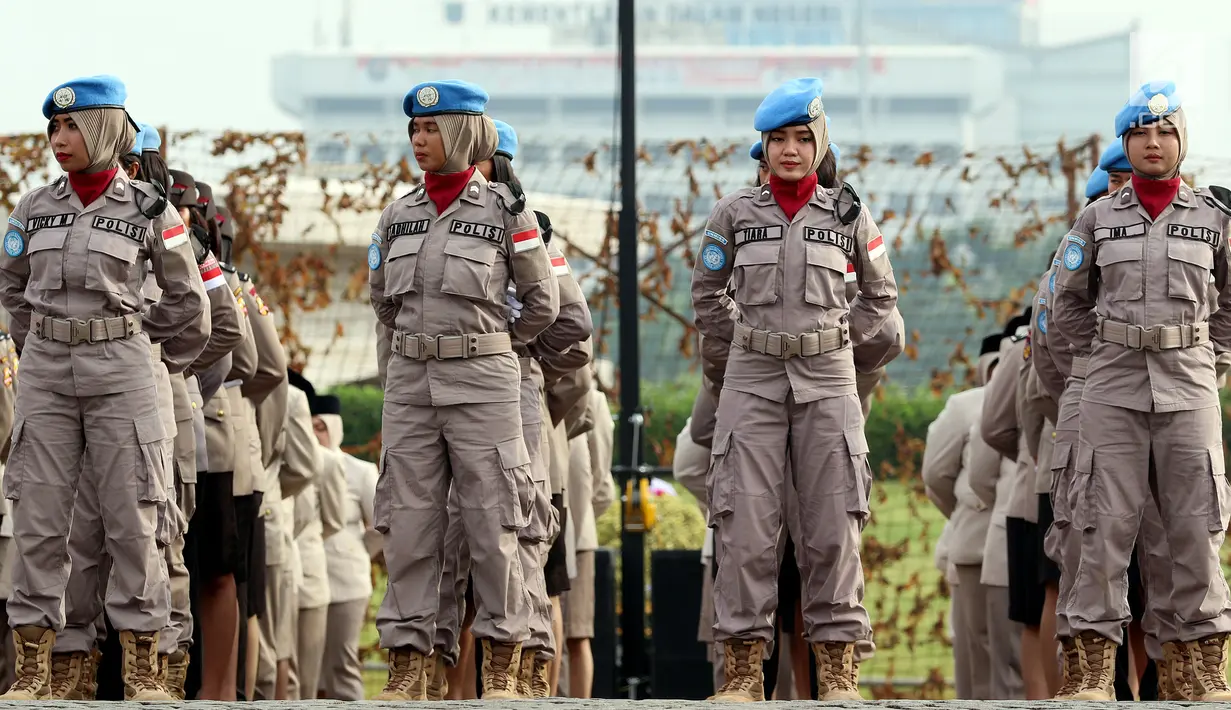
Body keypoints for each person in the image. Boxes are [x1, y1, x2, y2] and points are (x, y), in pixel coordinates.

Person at [0, 75, 208, 701]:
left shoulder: (150, 209)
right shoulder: (34, 207)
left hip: (122, 369)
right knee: (39, 519)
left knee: (132, 519)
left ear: (104, 130)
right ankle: (36, 671)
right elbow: (11, 292)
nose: (59, 139)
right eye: (54, 128)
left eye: (73, 127)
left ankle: (144, 668)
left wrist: (138, 346)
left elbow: (189, 305)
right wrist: (41, 344)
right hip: (46, 371)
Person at [691, 77, 897, 702]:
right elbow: (706, 297)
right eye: (776, 139)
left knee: (834, 525)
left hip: (827, 376)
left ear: (819, 143)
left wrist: (834, 343)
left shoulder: (850, 214)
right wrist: (745, 350)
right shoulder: (733, 214)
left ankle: (837, 675)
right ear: (763, 147)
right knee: (745, 525)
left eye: (801, 138)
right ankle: (742, 677)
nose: (788, 150)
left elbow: (881, 302)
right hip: (753, 377)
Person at [368, 79, 558, 700]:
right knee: (410, 525)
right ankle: (408, 662)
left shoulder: (508, 213)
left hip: (485, 379)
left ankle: (503, 660)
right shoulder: (397, 216)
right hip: (412, 380)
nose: (422, 141)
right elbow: (384, 303)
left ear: (467, 134)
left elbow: (541, 304)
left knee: (495, 521)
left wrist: (488, 346)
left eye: (435, 130)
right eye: (416, 131)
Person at [1051, 81, 1231, 701]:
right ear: (1126, 143)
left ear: (1182, 140)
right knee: (1101, 527)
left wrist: (1213, 360)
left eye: (1165, 132)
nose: (1153, 144)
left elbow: (1230, 305)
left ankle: (1203, 668)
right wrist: (1103, 359)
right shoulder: (1097, 218)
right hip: (1113, 387)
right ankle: (1093, 674)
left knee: (1196, 528)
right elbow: (1066, 303)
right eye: (1141, 134)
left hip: (1189, 385)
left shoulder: (1215, 218)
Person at [922, 334, 1001, 699]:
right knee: (976, 655)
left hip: (983, 534)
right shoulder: (965, 405)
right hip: (976, 544)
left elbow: (936, 476)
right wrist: (965, 513)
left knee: (984, 657)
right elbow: (936, 474)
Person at [970, 316, 1029, 699]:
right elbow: (976, 476)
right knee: (1003, 671)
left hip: (1023, 519)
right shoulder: (968, 406)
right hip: (1012, 527)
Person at [285, 372, 345, 701]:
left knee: (304, 678)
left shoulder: (327, 462)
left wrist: (305, 541)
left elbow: (333, 520)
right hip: (272, 569)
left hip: (308, 576)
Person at [317, 395, 378, 700]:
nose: (316, 435)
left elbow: (380, 525)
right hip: (307, 579)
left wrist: (357, 551)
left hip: (348, 581)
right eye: (309, 427)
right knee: (309, 668)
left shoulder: (360, 471)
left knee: (342, 663)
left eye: (321, 427)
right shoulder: (296, 469)